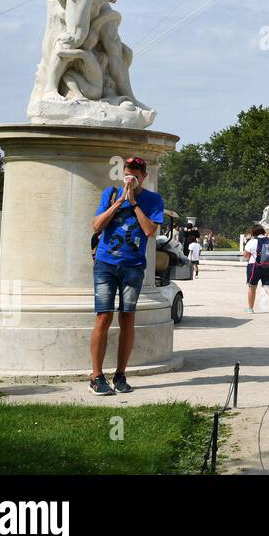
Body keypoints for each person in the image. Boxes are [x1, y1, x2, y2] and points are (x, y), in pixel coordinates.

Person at [89, 156, 164, 395]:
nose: (132, 176)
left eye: (137, 173)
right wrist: (120, 200)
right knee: (103, 317)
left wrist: (133, 203)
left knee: (128, 318)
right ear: (124, 173)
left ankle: (121, 374)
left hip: (133, 266)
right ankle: (96, 376)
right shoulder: (110, 194)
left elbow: (150, 230)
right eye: (128, 171)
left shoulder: (153, 200)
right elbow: (97, 225)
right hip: (106, 264)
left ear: (144, 176)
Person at [244, 223, 269, 316]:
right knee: (268, 287)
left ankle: (250, 308)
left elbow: (246, 256)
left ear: (253, 233)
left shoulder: (252, 242)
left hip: (254, 266)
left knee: (252, 287)